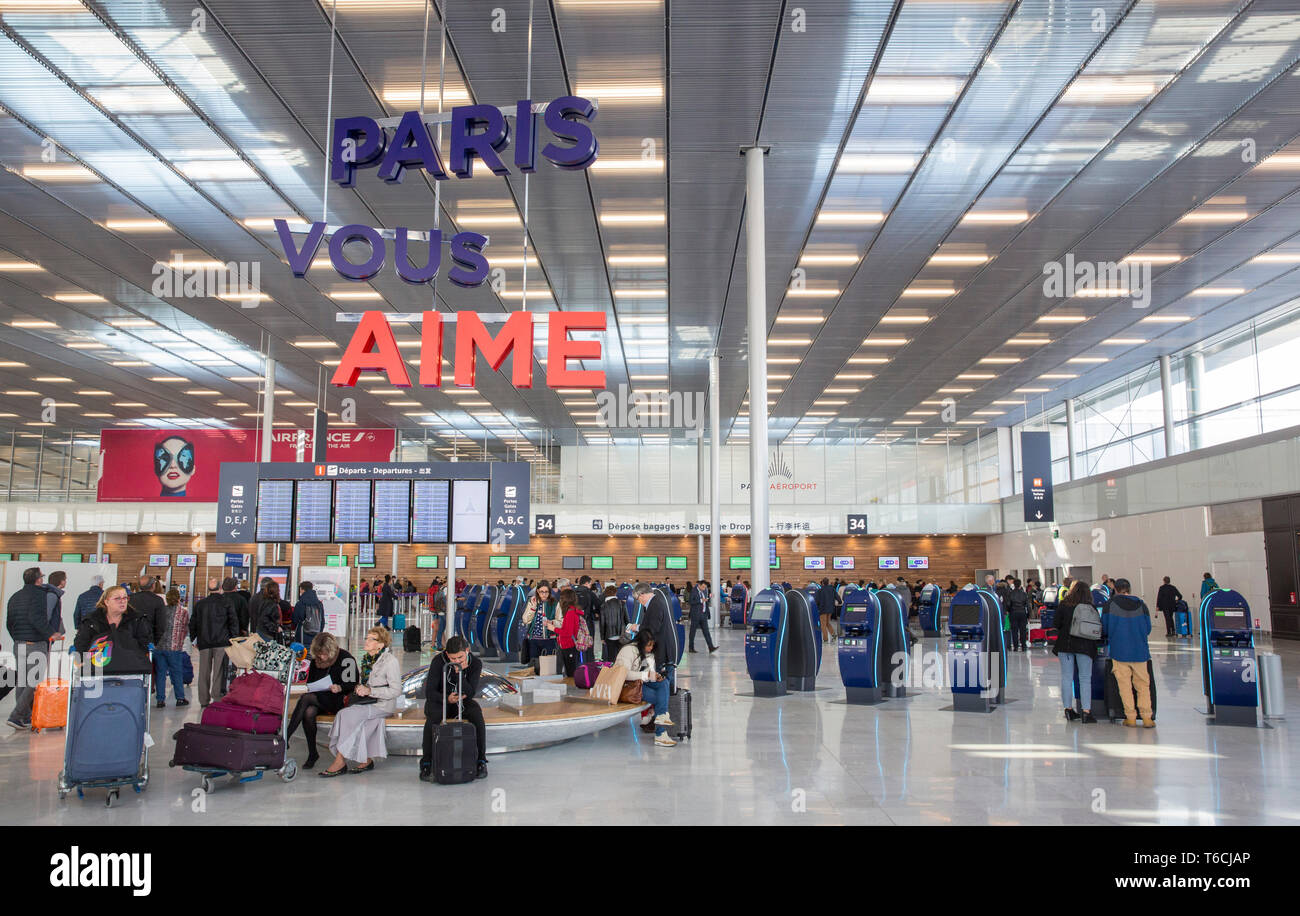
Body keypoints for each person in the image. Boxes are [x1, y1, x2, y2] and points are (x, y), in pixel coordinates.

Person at [320, 627, 401, 776]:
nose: (367, 641)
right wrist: (360, 688)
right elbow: (364, 683)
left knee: (346, 715)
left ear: (381, 645)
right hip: (367, 702)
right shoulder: (366, 660)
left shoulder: (390, 661)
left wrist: (371, 691)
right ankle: (367, 760)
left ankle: (340, 760)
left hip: (382, 704)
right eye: (367, 637)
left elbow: (396, 690)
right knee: (362, 723)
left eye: (372, 639)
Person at [419, 635, 488, 781]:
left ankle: (481, 760)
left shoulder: (475, 664)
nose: (456, 662)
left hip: (461, 701)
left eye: (460, 658)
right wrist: (446, 698)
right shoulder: (438, 661)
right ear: (446, 654)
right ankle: (426, 762)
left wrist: (459, 674)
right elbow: (430, 691)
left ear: (467, 651)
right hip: (440, 700)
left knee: (476, 715)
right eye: (453, 659)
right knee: (433, 719)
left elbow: (470, 692)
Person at [288, 632, 357, 770]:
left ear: (331, 650)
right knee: (308, 711)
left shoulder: (345, 658)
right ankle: (312, 753)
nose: (322, 657)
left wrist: (339, 687)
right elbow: (311, 682)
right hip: (320, 698)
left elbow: (352, 684)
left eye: (325, 654)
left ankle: (286, 735)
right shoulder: (316, 661)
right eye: (319, 654)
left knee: (306, 699)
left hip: (339, 699)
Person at [6, 568, 59, 729]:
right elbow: (36, 618)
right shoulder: (39, 595)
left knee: (22, 681)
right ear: (39, 580)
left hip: (19, 643)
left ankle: (26, 717)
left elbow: (9, 622)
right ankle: (15, 716)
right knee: (33, 681)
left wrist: (16, 638)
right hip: (35, 643)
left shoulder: (15, 596)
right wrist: (51, 633)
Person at [1102, 578, 1155, 728]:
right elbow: (1148, 629)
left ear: (1116, 590)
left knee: (1124, 685)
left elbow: (1104, 628)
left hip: (1119, 651)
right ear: (1129, 589)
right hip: (1140, 651)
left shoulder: (1110, 605)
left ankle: (1130, 717)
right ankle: (1147, 718)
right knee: (1143, 685)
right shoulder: (1141, 604)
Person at [73, 585, 154, 676]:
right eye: (117, 598)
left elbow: (143, 643)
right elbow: (81, 643)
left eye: (125, 598)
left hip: (130, 668)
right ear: (106, 602)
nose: (122, 601)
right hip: (98, 669)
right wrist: (85, 663)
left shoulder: (137, 619)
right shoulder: (91, 620)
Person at [615, 629, 676, 748]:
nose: (651, 648)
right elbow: (623, 674)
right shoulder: (628, 651)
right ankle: (660, 733)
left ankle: (661, 717)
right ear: (641, 643)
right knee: (661, 698)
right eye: (649, 645)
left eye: (652, 645)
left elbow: (647, 671)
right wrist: (646, 675)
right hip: (627, 687)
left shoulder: (645, 652)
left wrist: (654, 675)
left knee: (664, 684)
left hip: (639, 683)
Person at [1053, 581, 1099, 723]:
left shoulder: (1064, 605)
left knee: (1067, 678)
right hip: (1085, 646)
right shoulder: (1091, 607)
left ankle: (1068, 710)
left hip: (1065, 646)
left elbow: (1055, 624)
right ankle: (1086, 712)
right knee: (1085, 678)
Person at [190, 578, 238, 707]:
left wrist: (194, 639)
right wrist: (234, 639)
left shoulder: (200, 604)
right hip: (222, 641)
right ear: (220, 587)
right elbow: (233, 622)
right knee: (219, 671)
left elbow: (193, 623)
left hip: (204, 642)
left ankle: (203, 700)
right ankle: (216, 697)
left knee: (204, 671)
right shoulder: (227, 602)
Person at [153, 588, 190, 707]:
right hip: (174, 647)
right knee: (177, 673)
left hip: (160, 647)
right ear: (179, 598)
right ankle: (180, 698)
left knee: (161, 673)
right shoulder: (183, 612)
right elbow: (185, 629)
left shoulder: (161, 611)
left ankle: (160, 700)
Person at [634, 582, 674, 691]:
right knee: (665, 684)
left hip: (661, 649)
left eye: (638, 599)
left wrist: (637, 628)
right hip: (664, 648)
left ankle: (663, 705)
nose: (639, 602)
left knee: (662, 685)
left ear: (642, 594)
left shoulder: (655, 605)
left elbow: (652, 629)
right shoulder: (657, 602)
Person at [520, 580, 558, 669]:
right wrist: (533, 608)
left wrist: (552, 622)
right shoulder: (532, 601)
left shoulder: (554, 603)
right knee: (533, 668)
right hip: (533, 639)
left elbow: (560, 621)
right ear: (537, 591)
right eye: (541, 592)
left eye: (546, 592)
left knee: (548, 668)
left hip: (549, 639)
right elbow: (525, 620)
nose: (544, 594)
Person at [552, 587, 584, 678]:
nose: (560, 600)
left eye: (561, 598)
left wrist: (553, 628)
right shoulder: (572, 611)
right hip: (569, 645)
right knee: (570, 671)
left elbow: (567, 633)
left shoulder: (570, 613)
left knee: (570, 673)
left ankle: (572, 690)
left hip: (568, 646)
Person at [128, 574, 165, 643]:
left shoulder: (130, 598)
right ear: (153, 585)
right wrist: (155, 642)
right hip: (147, 639)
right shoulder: (157, 600)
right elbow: (160, 625)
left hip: (129, 637)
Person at [688, 579, 718, 653]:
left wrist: (709, 597)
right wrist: (701, 600)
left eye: (705, 587)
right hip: (695, 615)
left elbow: (706, 601)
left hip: (703, 614)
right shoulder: (694, 591)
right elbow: (690, 601)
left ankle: (711, 647)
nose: (704, 588)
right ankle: (691, 648)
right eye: (703, 587)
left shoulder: (705, 591)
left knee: (706, 632)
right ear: (699, 585)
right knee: (693, 632)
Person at [599, 585, 627, 661]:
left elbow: (602, 623)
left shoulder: (603, 606)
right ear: (615, 593)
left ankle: (612, 670)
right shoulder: (622, 604)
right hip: (621, 634)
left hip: (609, 635)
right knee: (621, 655)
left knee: (611, 656)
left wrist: (602, 637)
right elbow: (627, 620)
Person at [292, 581, 325, 645]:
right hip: (315, 636)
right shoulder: (319, 604)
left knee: (302, 654)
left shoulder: (300, 603)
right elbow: (322, 621)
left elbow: (295, 620)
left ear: (302, 589)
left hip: (302, 636)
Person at [1006, 578, 1031, 651]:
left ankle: (1016, 647)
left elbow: (1008, 604)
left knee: (1014, 630)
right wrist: (1028, 615)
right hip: (1022, 613)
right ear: (1020, 585)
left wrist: (1009, 611)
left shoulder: (1011, 593)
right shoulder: (1024, 594)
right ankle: (1023, 646)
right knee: (1023, 630)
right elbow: (1028, 606)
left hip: (1013, 613)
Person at [816, 577, 835, 644]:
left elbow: (817, 601)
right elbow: (837, 597)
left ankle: (825, 639)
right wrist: (840, 601)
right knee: (827, 623)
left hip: (822, 610)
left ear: (823, 583)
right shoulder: (832, 589)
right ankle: (833, 634)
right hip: (830, 609)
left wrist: (816, 607)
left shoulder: (820, 590)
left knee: (823, 625)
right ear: (828, 582)